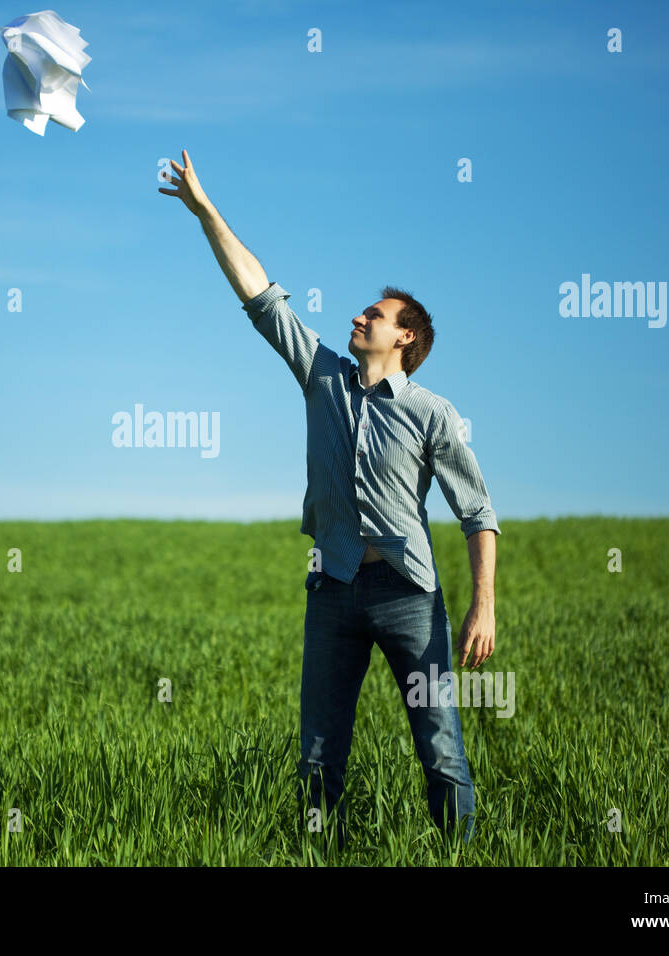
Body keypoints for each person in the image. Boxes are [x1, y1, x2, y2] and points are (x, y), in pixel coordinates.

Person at [159, 149, 500, 850]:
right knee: (318, 758)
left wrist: (482, 603)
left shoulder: (434, 414)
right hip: (333, 587)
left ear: (405, 337)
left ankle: (460, 857)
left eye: (374, 314)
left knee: (441, 750)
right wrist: (206, 211)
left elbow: (478, 512)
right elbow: (261, 297)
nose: (358, 316)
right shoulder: (323, 378)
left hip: (411, 595)